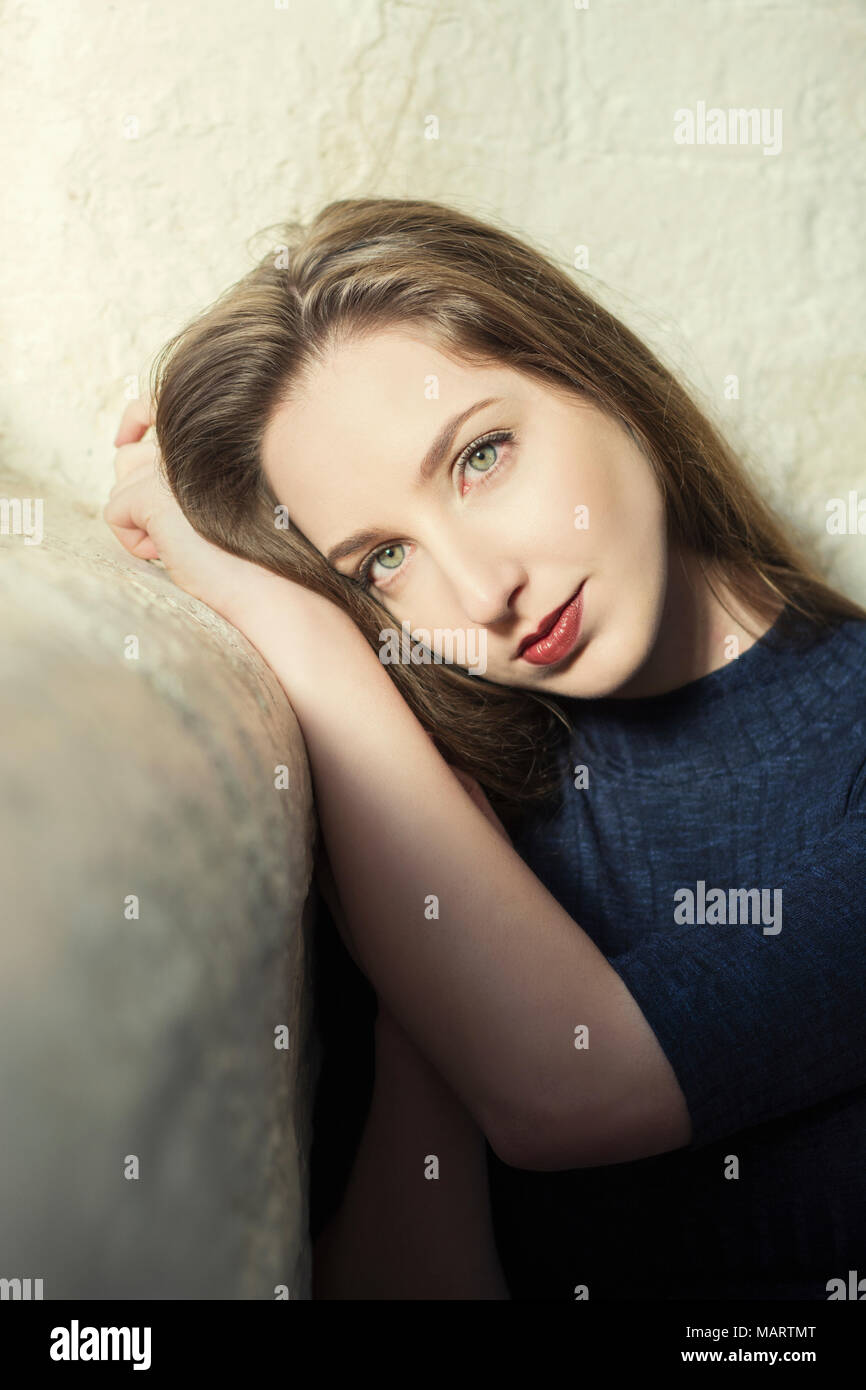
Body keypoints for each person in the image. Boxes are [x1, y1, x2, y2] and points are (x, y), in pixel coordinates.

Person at [104, 197, 866, 1300]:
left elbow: (571, 1081)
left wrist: (305, 640)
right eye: (380, 561)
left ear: (598, 376)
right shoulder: (421, 800)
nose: (479, 591)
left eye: (480, 456)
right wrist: (435, 921)